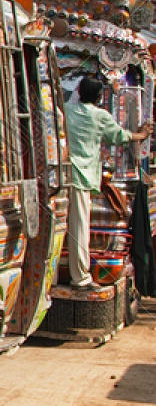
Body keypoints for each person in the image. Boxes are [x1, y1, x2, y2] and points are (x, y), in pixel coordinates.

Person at [64, 75, 152, 289]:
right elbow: (119, 135)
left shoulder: (66, 110)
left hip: (61, 176)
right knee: (79, 229)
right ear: (98, 97)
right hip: (81, 177)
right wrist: (140, 135)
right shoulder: (99, 116)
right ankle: (81, 278)